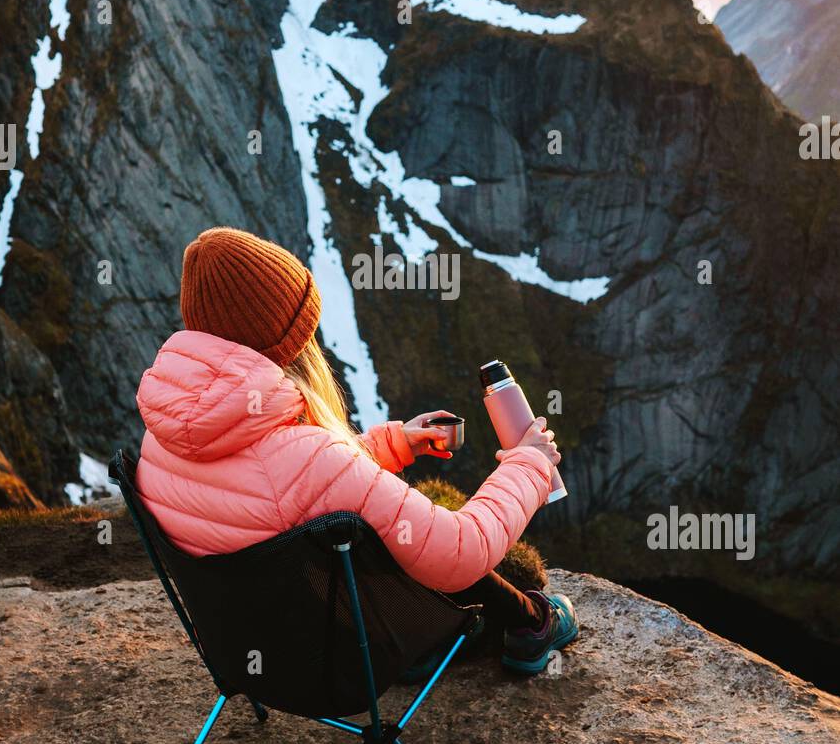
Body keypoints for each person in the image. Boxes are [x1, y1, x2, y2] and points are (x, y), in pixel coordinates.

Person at [135, 228, 578, 675]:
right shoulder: (308, 457)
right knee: (397, 543)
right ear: (289, 343)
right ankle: (535, 623)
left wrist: (391, 443)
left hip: (248, 654)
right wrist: (530, 463)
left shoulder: (161, 437)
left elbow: (289, 482)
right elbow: (461, 553)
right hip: (341, 663)